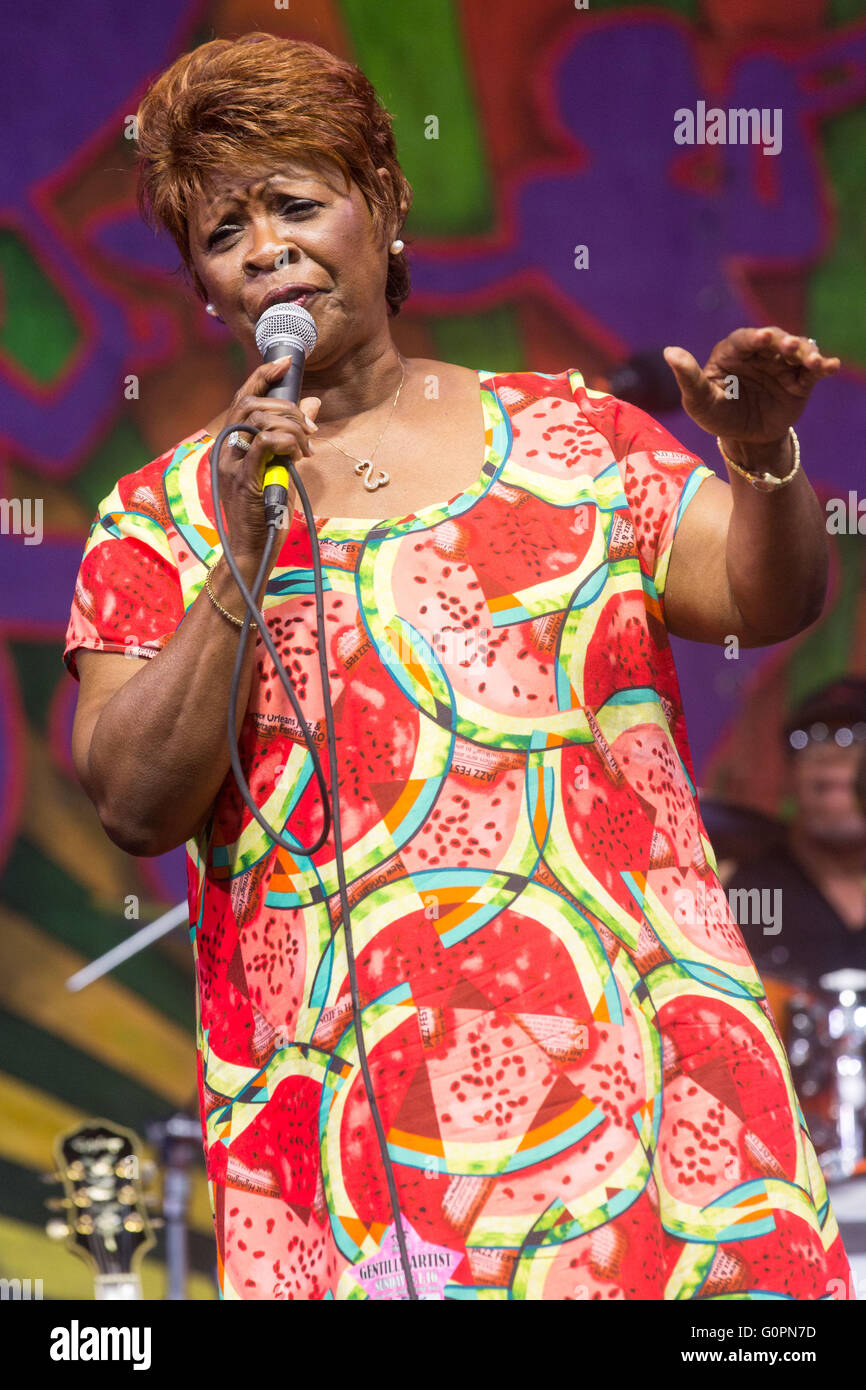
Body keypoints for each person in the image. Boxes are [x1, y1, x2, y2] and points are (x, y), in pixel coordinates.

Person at [62, 33, 852, 1300]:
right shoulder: (159, 519)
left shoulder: (573, 437)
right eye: (223, 231)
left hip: (644, 1098)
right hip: (357, 1136)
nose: (264, 247)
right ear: (203, 284)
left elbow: (766, 598)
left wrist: (760, 461)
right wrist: (239, 551)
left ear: (382, 201)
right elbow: (133, 800)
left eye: (297, 203)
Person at [726, 679, 866, 988]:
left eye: (858, 737)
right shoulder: (747, 894)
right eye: (809, 740)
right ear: (789, 778)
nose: (831, 752)